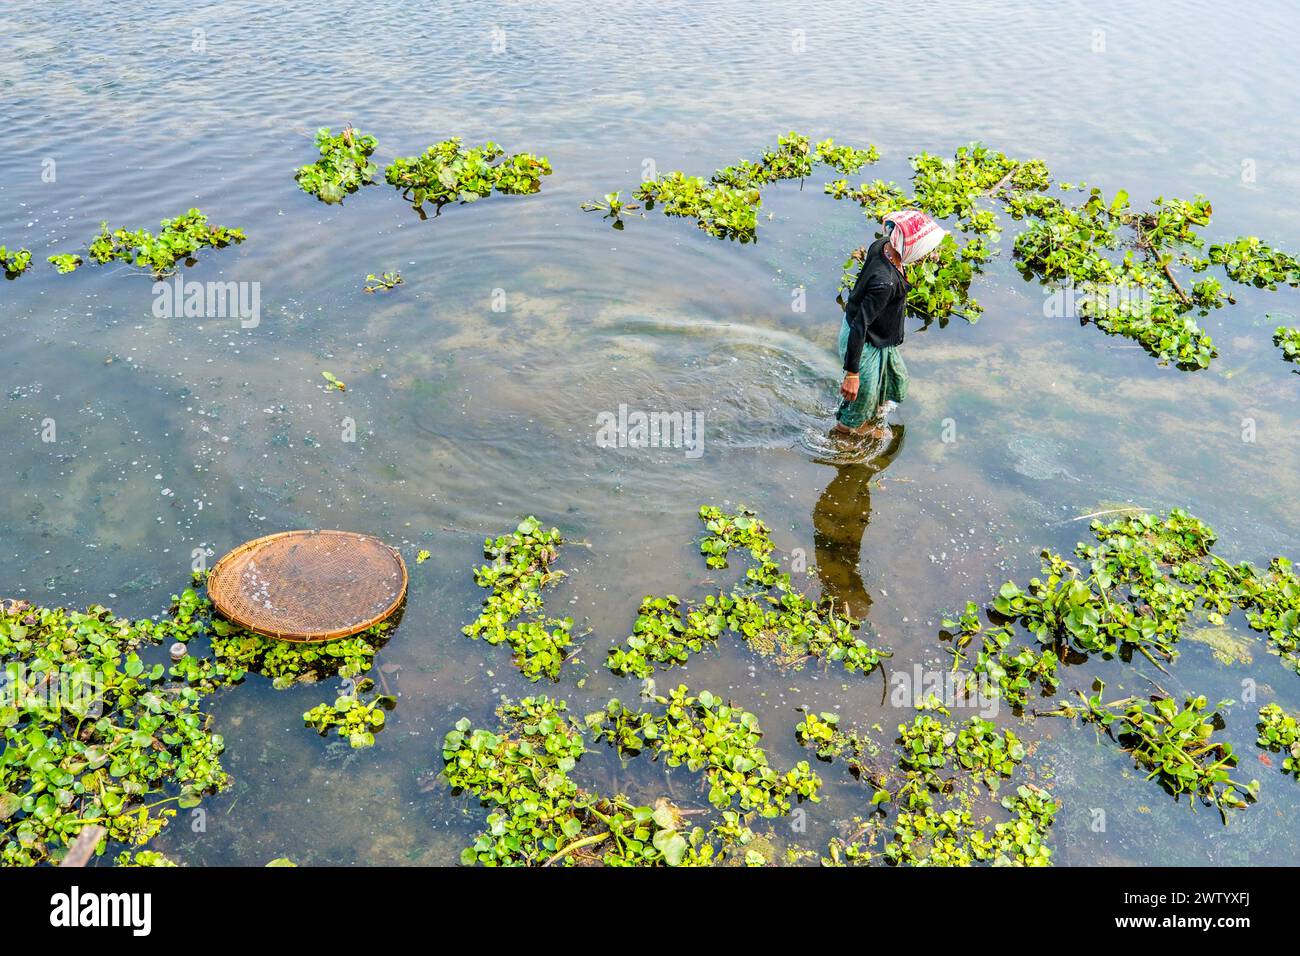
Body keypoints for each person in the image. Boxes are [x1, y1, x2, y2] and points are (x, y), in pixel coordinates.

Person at [836, 210, 946, 439]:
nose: (928, 254)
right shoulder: (884, 283)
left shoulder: (883, 245)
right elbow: (859, 325)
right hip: (863, 340)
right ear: (910, 248)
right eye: (925, 250)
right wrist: (852, 374)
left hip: (881, 337)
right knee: (860, 396)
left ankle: (873, 417)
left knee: (897, 379)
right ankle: (843, 434)